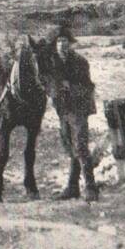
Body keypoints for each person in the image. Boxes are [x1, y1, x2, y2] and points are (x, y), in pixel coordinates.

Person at [46, 24, 99, 201]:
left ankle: (91, 188)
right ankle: (73, 187)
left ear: (70, 43)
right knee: (70, 148)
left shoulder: (80, 62)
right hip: (63, 111)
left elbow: (89, 88)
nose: (62, 44)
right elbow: (49, 86)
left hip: (78, 110)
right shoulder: (53, 63)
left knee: (81, 147)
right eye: (58, 41)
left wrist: (71, 87)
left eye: (65, 41)